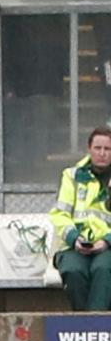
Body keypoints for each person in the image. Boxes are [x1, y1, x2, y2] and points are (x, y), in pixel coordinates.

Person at [50, 125, 111, 310]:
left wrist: (106, 242)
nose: (102, 153)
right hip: (74, 246)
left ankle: (94, 328)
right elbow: (60, 215)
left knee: (103, 270)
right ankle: (84, 327)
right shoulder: (72, 176)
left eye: (107, 149)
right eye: (98, 148)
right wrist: (74, 239)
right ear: (89, 149)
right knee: (73, 271)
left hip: (107, 247)